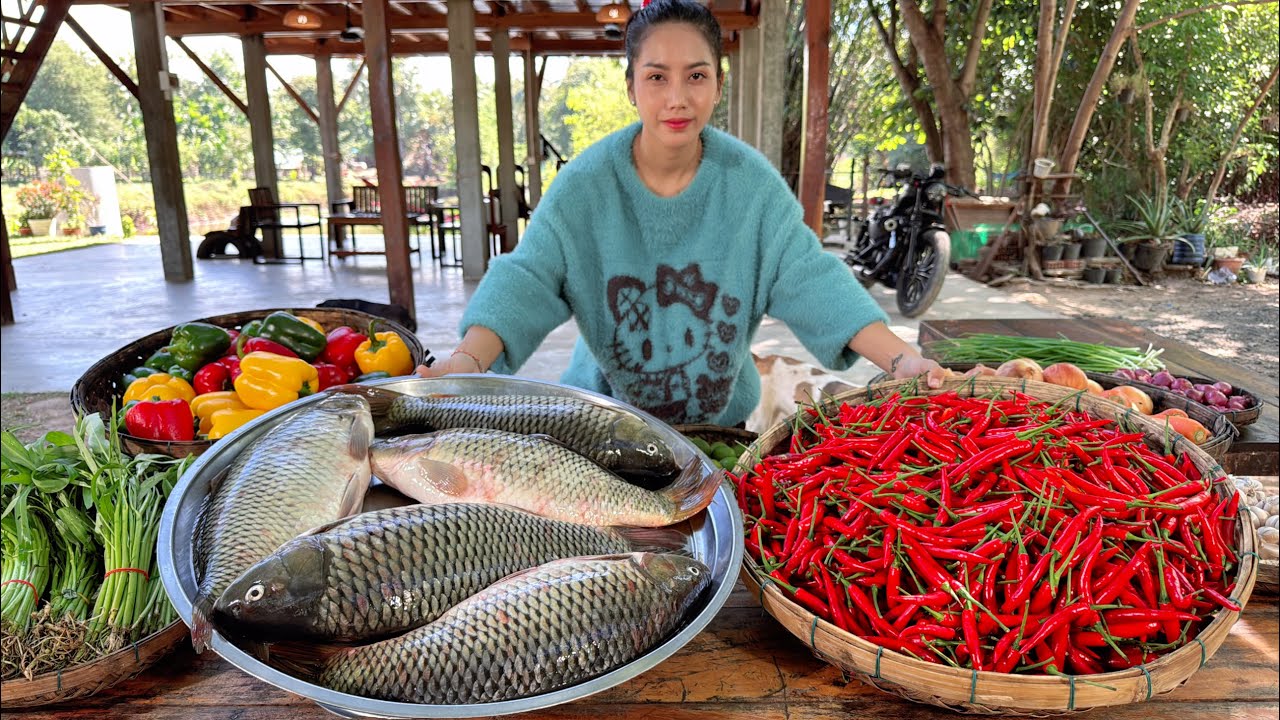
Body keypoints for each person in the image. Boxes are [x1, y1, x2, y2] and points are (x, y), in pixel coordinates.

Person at [418, 0, 945, 426]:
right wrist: (465, 362)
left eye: (696, 76)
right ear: (631, 87)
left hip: (719, 425)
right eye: (656, 77)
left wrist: (901, 359)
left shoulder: (751, 186)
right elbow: (528, 278)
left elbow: (809, 275)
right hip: (605, 422)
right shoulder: (585, 185)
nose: (677, 99)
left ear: (718, 81)